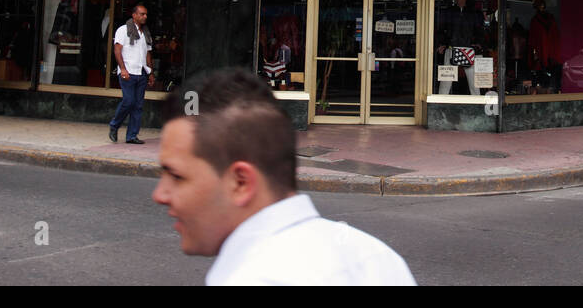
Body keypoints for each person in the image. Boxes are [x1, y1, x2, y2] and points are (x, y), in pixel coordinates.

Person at [154, 68, 415, 285]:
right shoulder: (378, 258)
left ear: (241, 182)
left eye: (177, 176)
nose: (159, 195)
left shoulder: (250, 279)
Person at [109, 4, 153, 144]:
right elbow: (117, 50)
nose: (144, 16)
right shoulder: (123, 30)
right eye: (142, 14)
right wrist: (122, 69)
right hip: (128, 72)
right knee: (128, 101)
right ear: (134, 15)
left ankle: (132, 136)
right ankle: (114, 125)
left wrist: (150, 73)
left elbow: (147, 54)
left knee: (138, 105)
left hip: (142, 73)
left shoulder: (145, 33)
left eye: (146, 14)